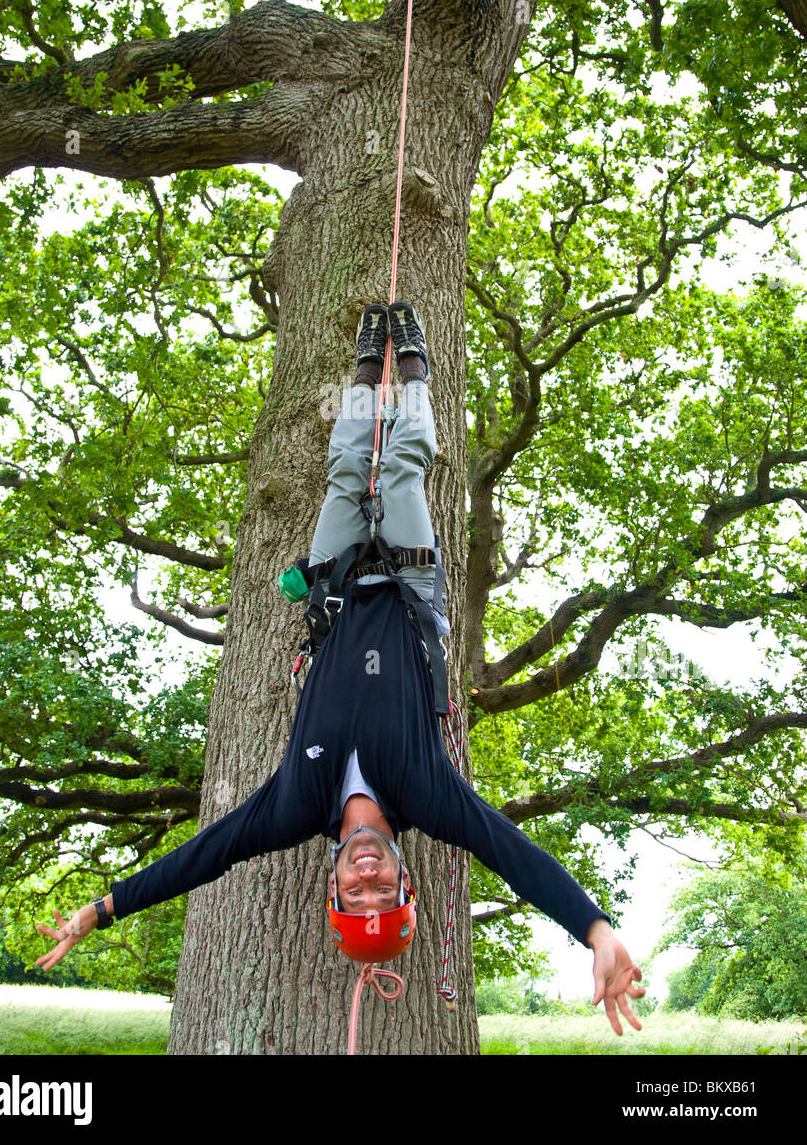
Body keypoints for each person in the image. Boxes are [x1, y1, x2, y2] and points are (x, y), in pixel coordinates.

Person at [36, 301, 644, 1036]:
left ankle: (367, 364)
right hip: (412, 589)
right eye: (382, 895)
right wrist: (597, 931)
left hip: (334, 590)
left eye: (355, 898)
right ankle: (411, 361)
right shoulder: (427, 796)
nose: (366, 882)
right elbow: (514, 855)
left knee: (348, 465)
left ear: (333, 885)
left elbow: (204, 856)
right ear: (403, 881)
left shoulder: (297, 804)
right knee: (407, 463)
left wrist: (102, 911)